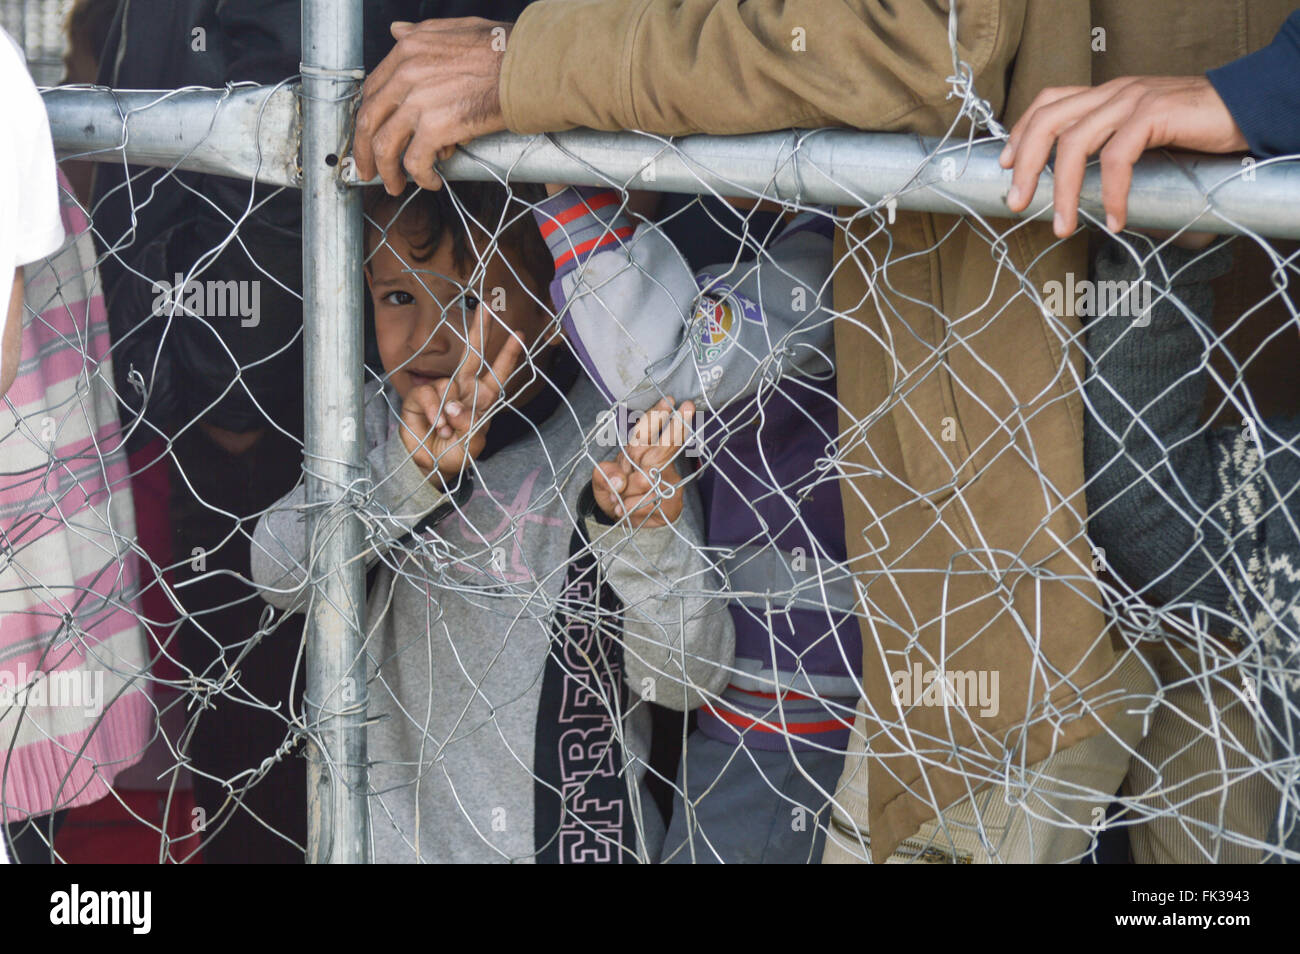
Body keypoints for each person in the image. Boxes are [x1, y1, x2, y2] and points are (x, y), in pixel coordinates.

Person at [352, 0, 1298, 863]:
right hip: (765, 725)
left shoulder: (804, 279)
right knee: (1206, 801)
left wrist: (557, 167)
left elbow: (673, 357)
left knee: (1204, 806)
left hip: (920, 670)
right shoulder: (787, 273)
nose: (439, 330)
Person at [250, 181, 733, 862]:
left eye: (472, 301)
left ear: (554, 303)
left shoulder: (616, 440)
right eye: (398, 297)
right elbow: (278, 572)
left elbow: (688, 676)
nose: (430, 337)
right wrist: (406, 477)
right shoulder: (371, 420)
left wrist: (642, 535)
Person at [532, 183, 855, 861]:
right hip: (765, 695)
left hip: (792, 705)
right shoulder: (787, 239)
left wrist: (569, 195)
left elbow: (668, 362)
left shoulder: (826, 252)